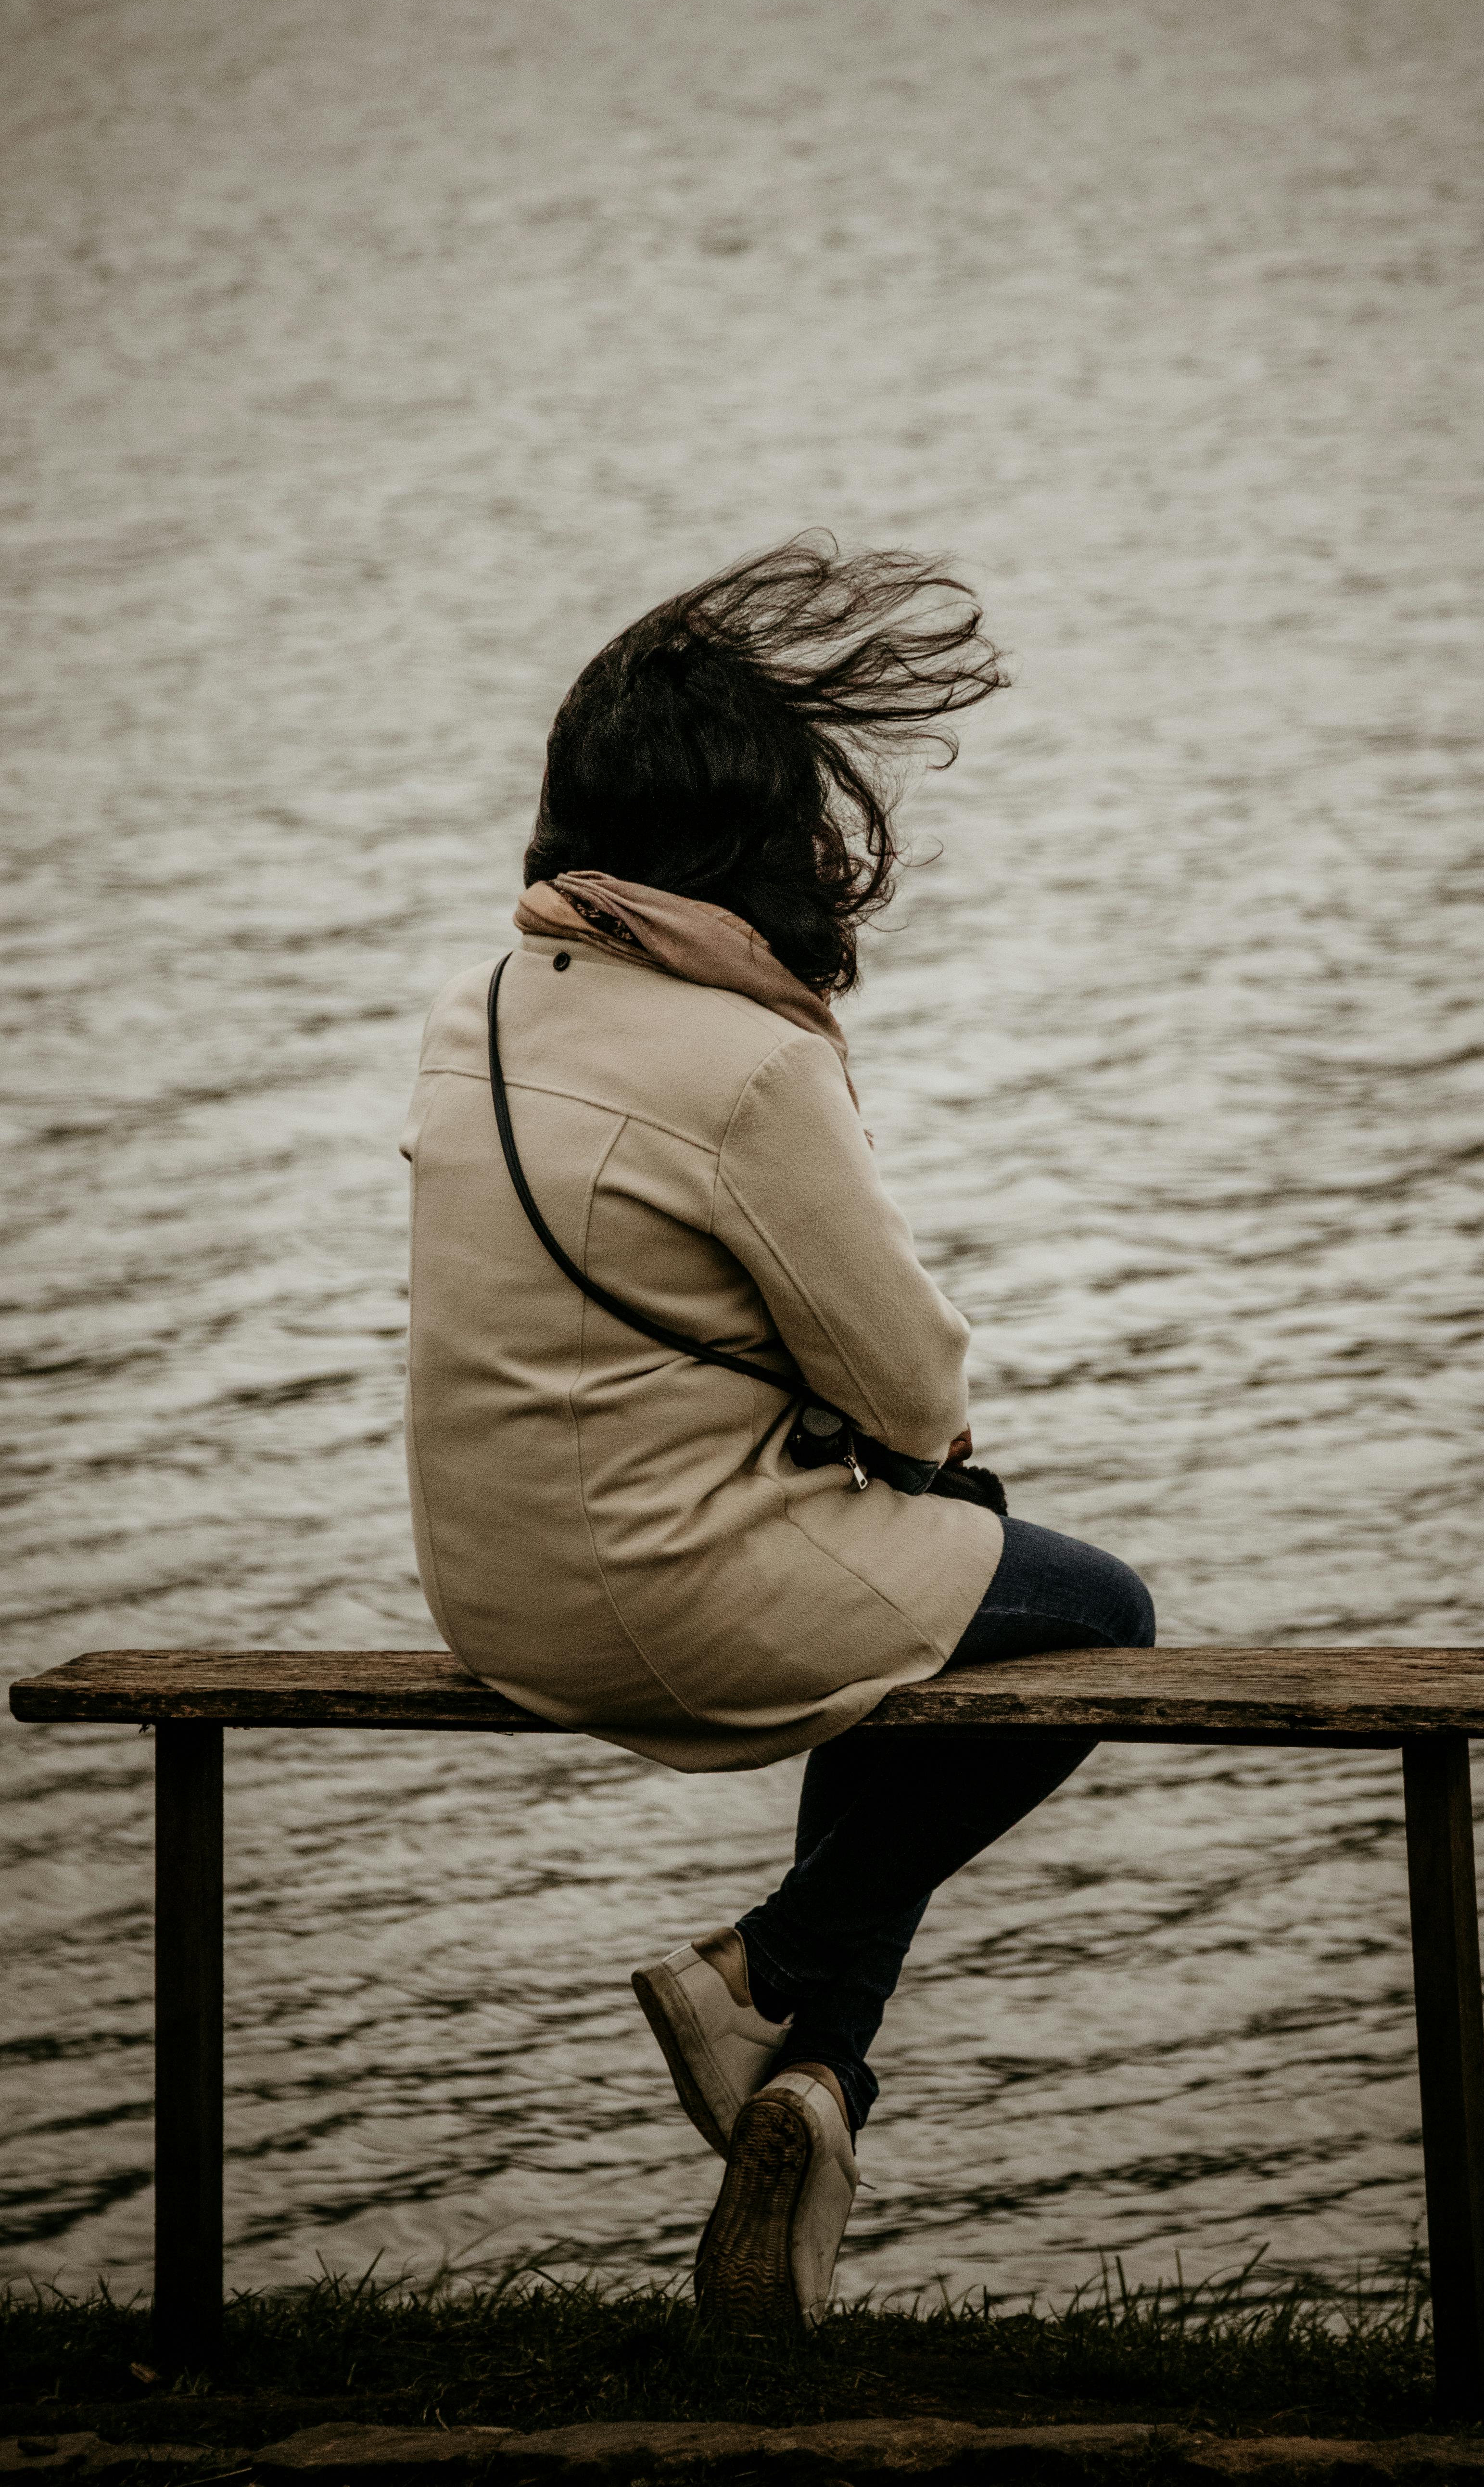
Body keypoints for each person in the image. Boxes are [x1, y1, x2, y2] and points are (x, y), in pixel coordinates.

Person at [401, 536, 1154, 2336]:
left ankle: (813, 2089)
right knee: (1093, 1609)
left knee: (915, 1588)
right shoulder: (748, 1061)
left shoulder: (477, 1011)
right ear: (756, 842)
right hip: (666, 1598)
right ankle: (775, 1971)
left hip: (491, 1590)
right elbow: (914, 1392)